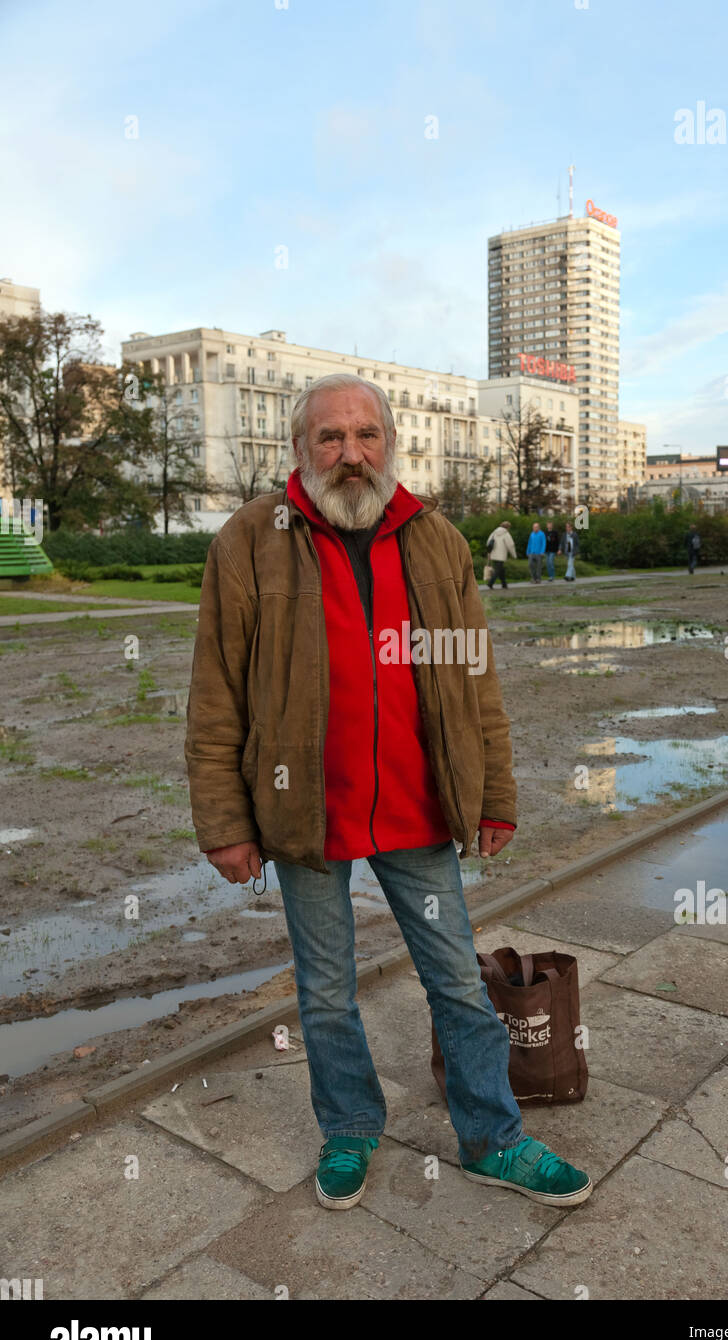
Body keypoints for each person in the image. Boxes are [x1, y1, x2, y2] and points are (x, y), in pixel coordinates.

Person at [185, 373, 592, 1213]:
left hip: (416, 810)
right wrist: (226, 823)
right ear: (301, 449)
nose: (350, 454)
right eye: (330, 438)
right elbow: (217, 691)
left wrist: (496, 794)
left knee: (456, 981)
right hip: (305, 813)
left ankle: (493, 1139)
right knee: (326, 992)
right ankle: (349, 1130)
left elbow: (476, 681)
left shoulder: (434, 539)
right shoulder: (250, 540)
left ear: (389, 443)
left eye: (365, 435)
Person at [486, 518, 516, 589]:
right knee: (498, 570)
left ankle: (504, 584)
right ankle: (490, 583)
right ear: (508, 527)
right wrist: (514, 555)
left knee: (501, 570)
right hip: (501, 555)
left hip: (494, 555)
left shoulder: (494, 532)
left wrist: (489, 552)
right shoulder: (506, 533)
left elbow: (488, 542)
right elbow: (511, 545)